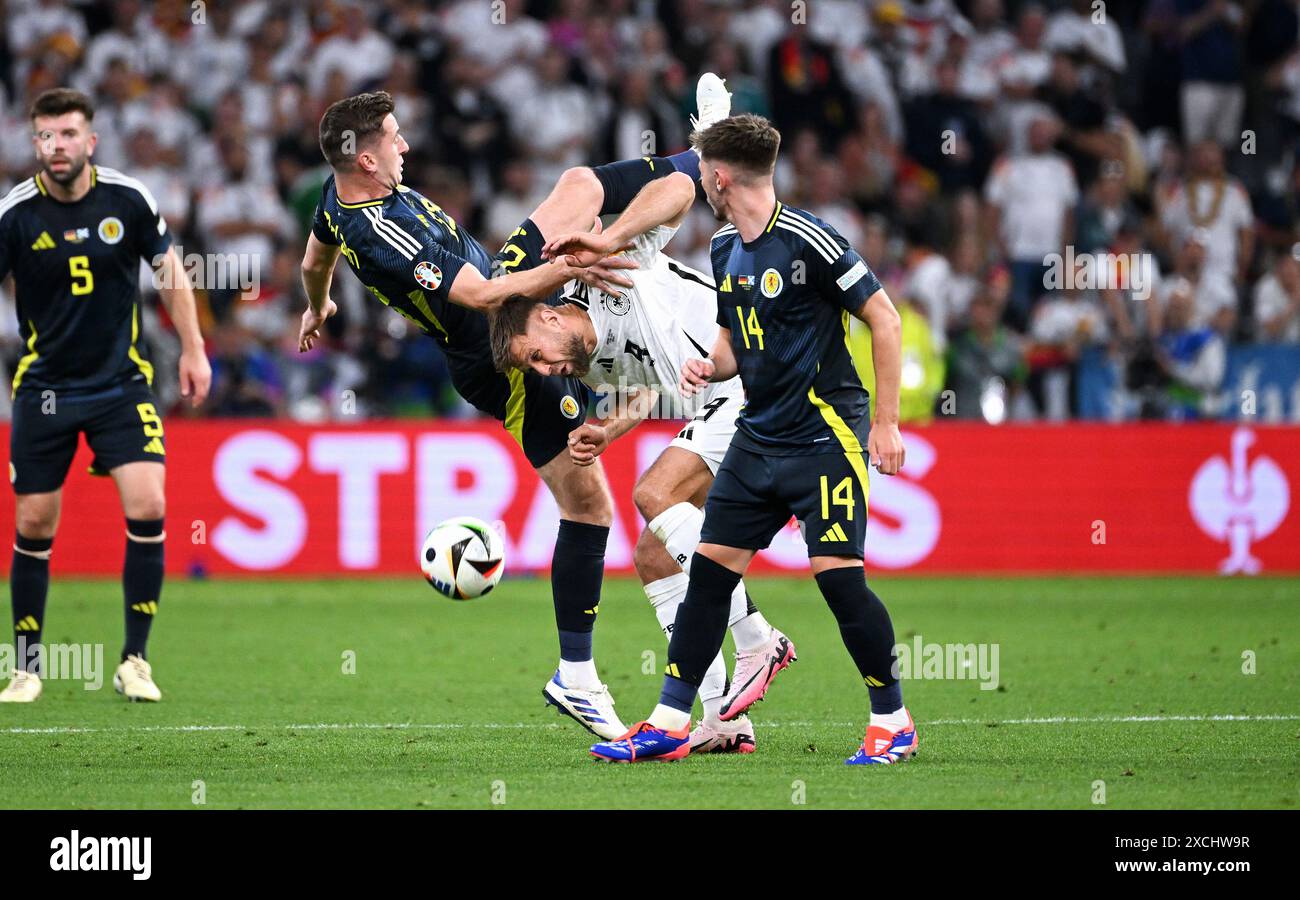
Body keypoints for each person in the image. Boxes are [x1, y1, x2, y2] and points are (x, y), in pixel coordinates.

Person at [296, 80, 731, 740]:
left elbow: (314, 254)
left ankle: (701, 155)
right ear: (366, 158)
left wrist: (317, 301)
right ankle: (578, 676)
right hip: (505, 352)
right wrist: (573, 268)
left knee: (581, 186)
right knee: (590, 506)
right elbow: (484, 295)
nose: (404, 145)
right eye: (394, 137)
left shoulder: (341, 198)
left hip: (518, 299)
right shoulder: (381, 230)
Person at [586, 114, 916, 765]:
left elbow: (884, 316)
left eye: (702, 170)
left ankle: (893, 720)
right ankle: (670, 721)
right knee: (708, 575)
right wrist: (714, 364)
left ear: (720, 175)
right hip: (758, 435)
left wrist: (887, 421)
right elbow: (739, 336)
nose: (699, 181)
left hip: (824, 434)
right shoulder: (725, 247)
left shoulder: (810, 240)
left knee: (839, 582)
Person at [489, 159, 796, 755]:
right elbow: (649, 385)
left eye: (538, 356)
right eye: (538, 370)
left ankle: (758, 638)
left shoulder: (607, 267)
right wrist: (610, 432)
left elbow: (681, 188)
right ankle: (721, 720)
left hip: (755, 375)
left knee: (652, 495)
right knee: (653, 555)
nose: (549, 372)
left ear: (550, 314)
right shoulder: (585, 361)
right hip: (720, 400)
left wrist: (610, 235)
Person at [0, 88, 211, 703]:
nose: (56, 146)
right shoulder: (15, 216)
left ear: (89, 141)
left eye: (67, 134)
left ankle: (134, 661)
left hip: (121, 383)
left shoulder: (129, 198)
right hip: (44, 387)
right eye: (45, 136)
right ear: (33, 142)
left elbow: (170, 271)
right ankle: (27, 666)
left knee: (148, 505)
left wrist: (194, 349)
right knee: (35, 521)